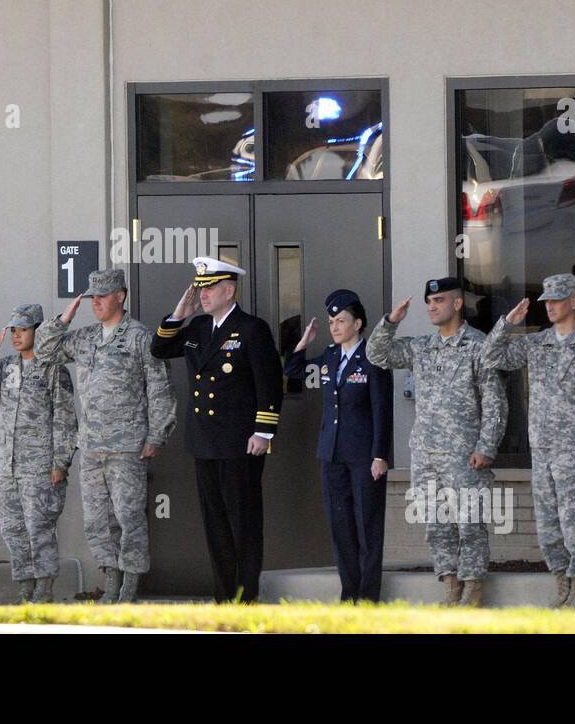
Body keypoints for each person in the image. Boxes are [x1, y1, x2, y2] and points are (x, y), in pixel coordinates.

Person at [34, 268, 175, 604]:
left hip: (128, 447)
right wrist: (63, 318)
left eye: (102, 296)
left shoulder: (140, 337)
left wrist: (157, 434)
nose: (94, 302)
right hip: (93, 446)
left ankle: (130, 584)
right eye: (91, 296)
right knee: (97, 520)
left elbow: (160, 388)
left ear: (121, 296)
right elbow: (44, 351)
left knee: (128, 517)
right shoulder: (85, 338)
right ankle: (110, 580)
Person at [366, 277, 506, 607]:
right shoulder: (422, 346)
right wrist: (390, 322)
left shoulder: (478, 346)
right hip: (426, 453)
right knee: (436, 522)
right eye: (429, 301)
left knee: (469, 521)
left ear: (457, 304)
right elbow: (377, 355)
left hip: (464, 453)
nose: (432, 306)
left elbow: (495, 401)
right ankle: (451, 585)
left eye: (439, 300)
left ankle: (473, 588)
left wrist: (486, 447)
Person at [151, 257, 284, 603]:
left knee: (243, 525)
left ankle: (245, 599)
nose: (202, 295)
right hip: (204, 442)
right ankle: (224, 599)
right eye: (199, 288)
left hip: (240, 443)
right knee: (216, 528)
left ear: (229, 289)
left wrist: (263, 432)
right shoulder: (196, 328)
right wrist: (180, 311)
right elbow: (160, 348)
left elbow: (269, 384)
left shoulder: (251, 329)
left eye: (208, 288)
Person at [479, 273, 575, 608]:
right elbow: (491, 357)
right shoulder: (537, 343)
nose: (550, 307)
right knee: (548, 527)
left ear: (574, 301)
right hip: (542, 451)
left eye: (556, 300)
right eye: (547, 302)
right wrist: (507, 324)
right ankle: (561, 584)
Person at [283, 289, 393, 603]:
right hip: (331, 454)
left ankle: (369, 597)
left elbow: (382, 410)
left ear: (358, 323)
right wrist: (304, 343)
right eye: (331, 321)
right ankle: (350, 594)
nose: (335, 326)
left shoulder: (373, 358)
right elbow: (293, 372)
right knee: (340, 526)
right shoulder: (331, 357)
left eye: (341, 320)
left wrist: (380, 455)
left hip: (364, 457)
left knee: (367, 526)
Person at [0, 304, 77, 603]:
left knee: (39, 529)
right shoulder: (6, 368)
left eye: (23, 329)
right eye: (13, 330)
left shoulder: (54, 369)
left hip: (40, 466)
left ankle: (44, 589)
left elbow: (65, 418)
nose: (16, 335)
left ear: (38, 331)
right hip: (8, 466)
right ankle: (25, 587)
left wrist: (60, 462)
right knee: (13, 530)